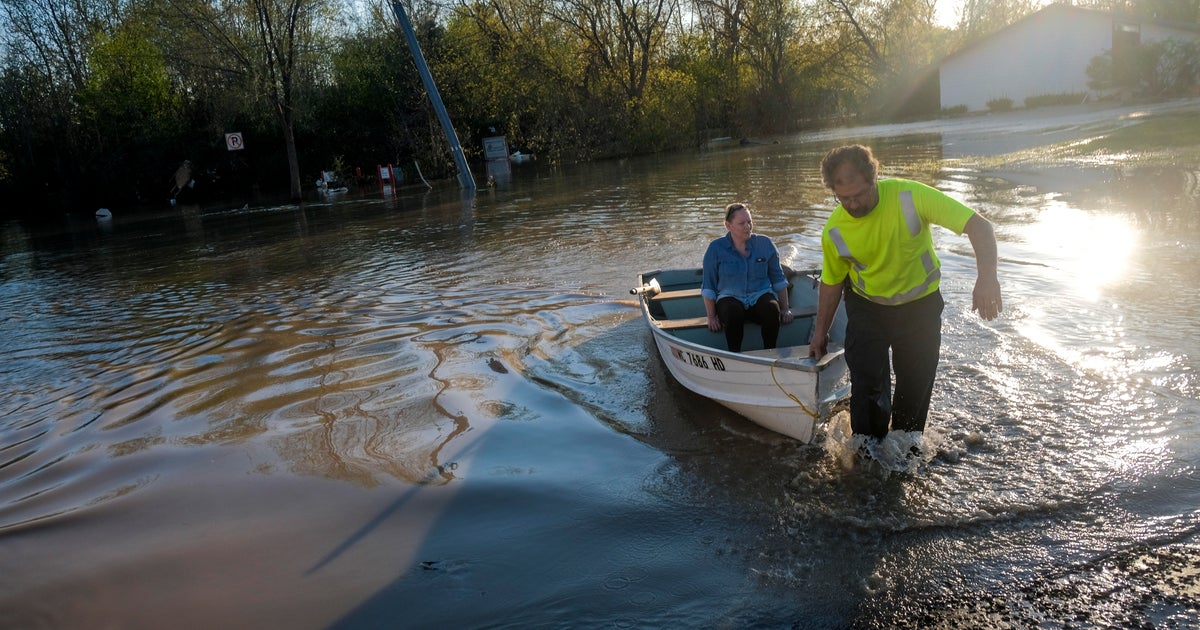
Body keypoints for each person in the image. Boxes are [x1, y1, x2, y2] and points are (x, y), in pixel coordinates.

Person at [808, 145, 1002, 442]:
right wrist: (819, 332)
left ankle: (904, 450)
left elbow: (979, 226)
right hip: (867, 306)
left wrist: (987, 278)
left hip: (919, 308)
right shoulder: (835, 230)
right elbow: (832, 282)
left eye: (858, 194)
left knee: (914, 386)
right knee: (867, 385)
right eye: (843, 198)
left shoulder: (910, 196)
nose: (853, 205)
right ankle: (867, 452)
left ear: (874, 179)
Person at [701, 202, 795, 352]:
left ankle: (769, 354)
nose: (748, 226)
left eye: (750, 222)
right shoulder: (715, 248)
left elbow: (778, 280)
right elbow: (708, 286)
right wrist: (711, 317)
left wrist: (785, 309)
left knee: (772, 310)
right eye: (742, 223)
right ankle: (735, 355)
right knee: (733, 314)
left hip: (760, 295)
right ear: (728, 225)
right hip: (730, 298)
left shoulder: (765, 244)